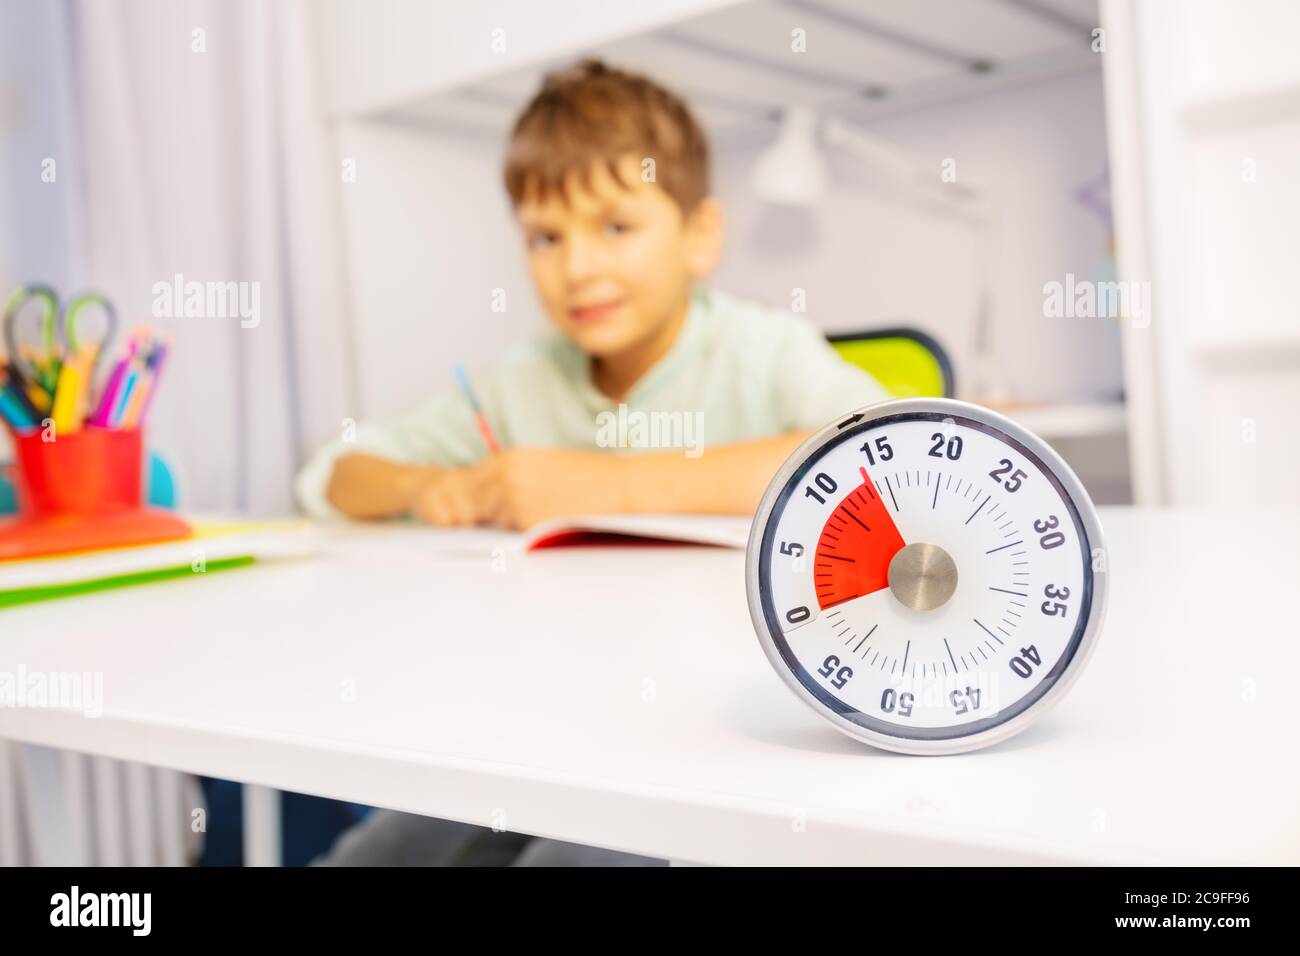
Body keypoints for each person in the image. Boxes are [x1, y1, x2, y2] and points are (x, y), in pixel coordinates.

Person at [300, 59, 889, 867]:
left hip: (720, 733)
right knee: (380, 853)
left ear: (698, 236)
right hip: (539, 715)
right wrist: (423, 484)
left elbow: (880, 451)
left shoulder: (763, 353)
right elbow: (335, 473)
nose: (576, 268)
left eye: (615, 226)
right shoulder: (515, 387)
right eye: (545, 237)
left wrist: (598, 485)